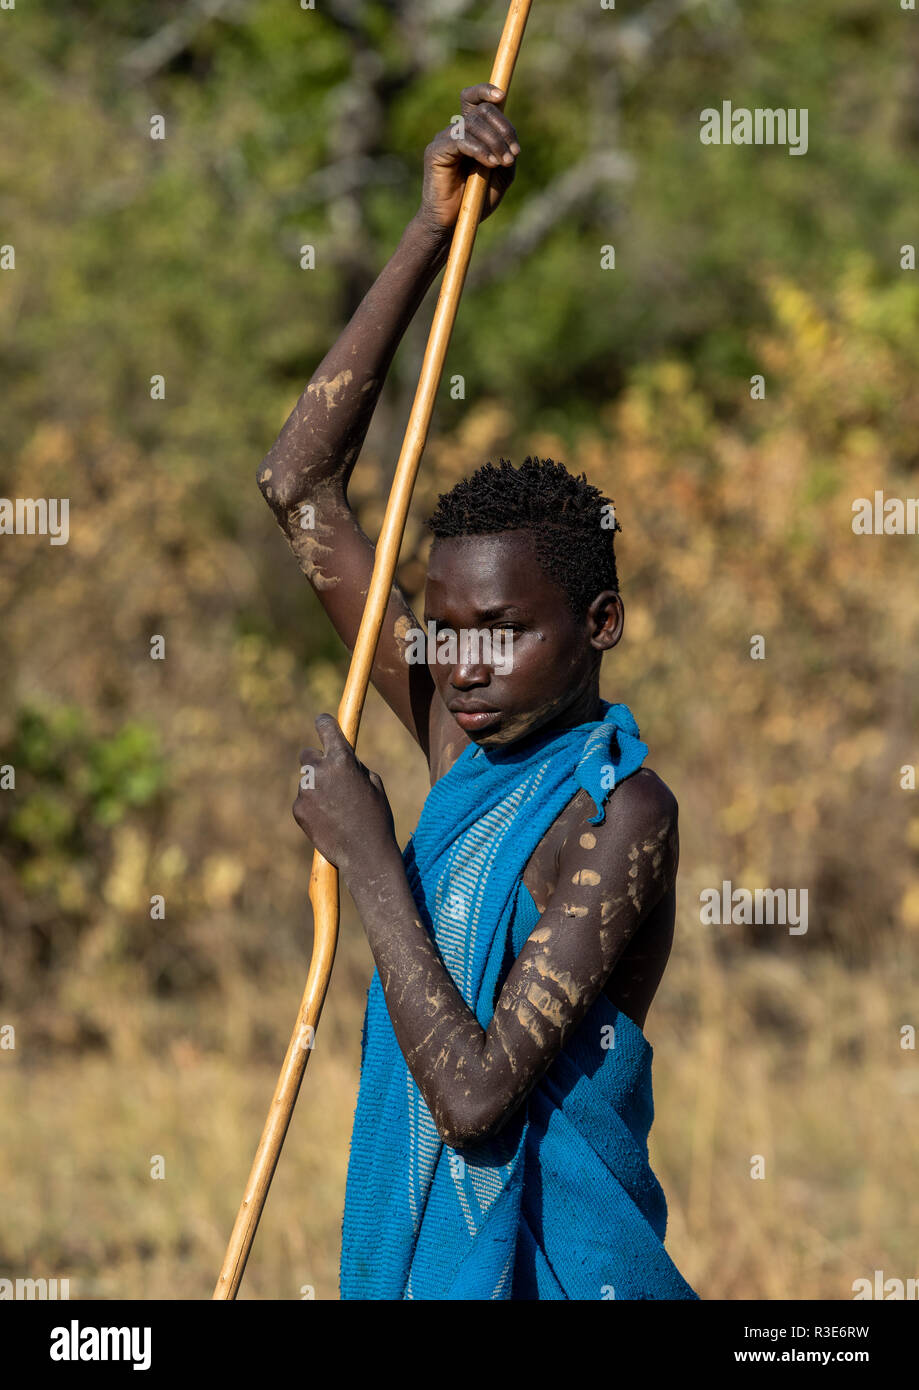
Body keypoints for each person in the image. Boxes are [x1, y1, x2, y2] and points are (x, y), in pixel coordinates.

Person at [258, 83, 698, 1301]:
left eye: (502, 634)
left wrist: (369, 859)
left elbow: (476, 1095)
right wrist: (427, 231)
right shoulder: (463, 733)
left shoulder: (622, 818)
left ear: (598, 626)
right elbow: (299, 484)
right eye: (443, 632)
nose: (461, 664)